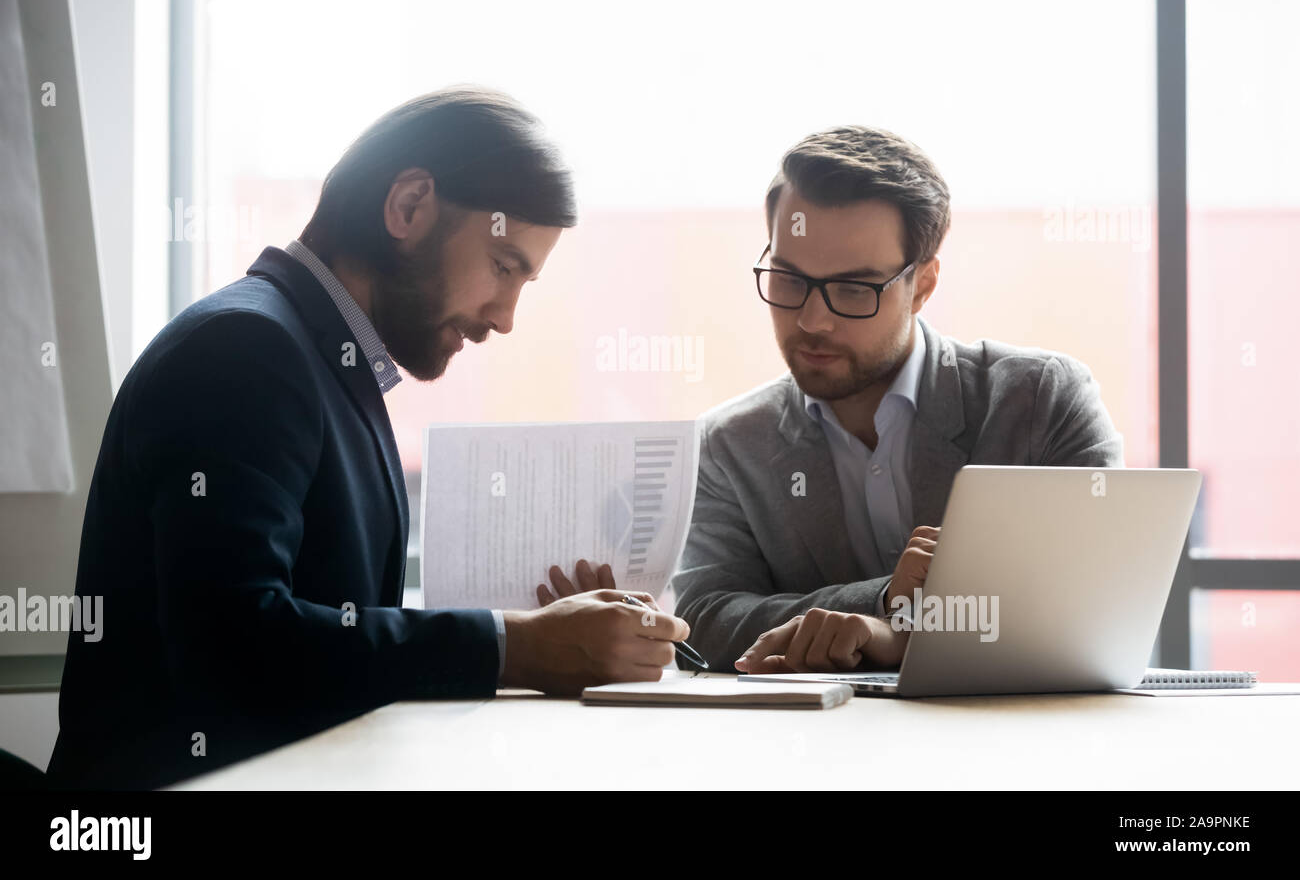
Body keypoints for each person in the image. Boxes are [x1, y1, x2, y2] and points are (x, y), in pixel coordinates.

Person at [46, 86, 688, 790]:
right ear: (408, 206)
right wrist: (517, 648)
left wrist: (529, 636)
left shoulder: (320, 357)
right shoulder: (245, 349)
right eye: (504, 267)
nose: (505, 318)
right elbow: (237, 647)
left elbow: (327, 621)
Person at [671, 125, 1124, 675]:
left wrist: (901, 639)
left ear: (924, 285)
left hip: (1013, 741)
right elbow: (706, 622)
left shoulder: (1039, 402)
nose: (813, 321)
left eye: (854, 290)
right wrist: (883, 603)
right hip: (810, 751)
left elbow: (1098, 608)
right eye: (789, 280)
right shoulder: (727, 445)